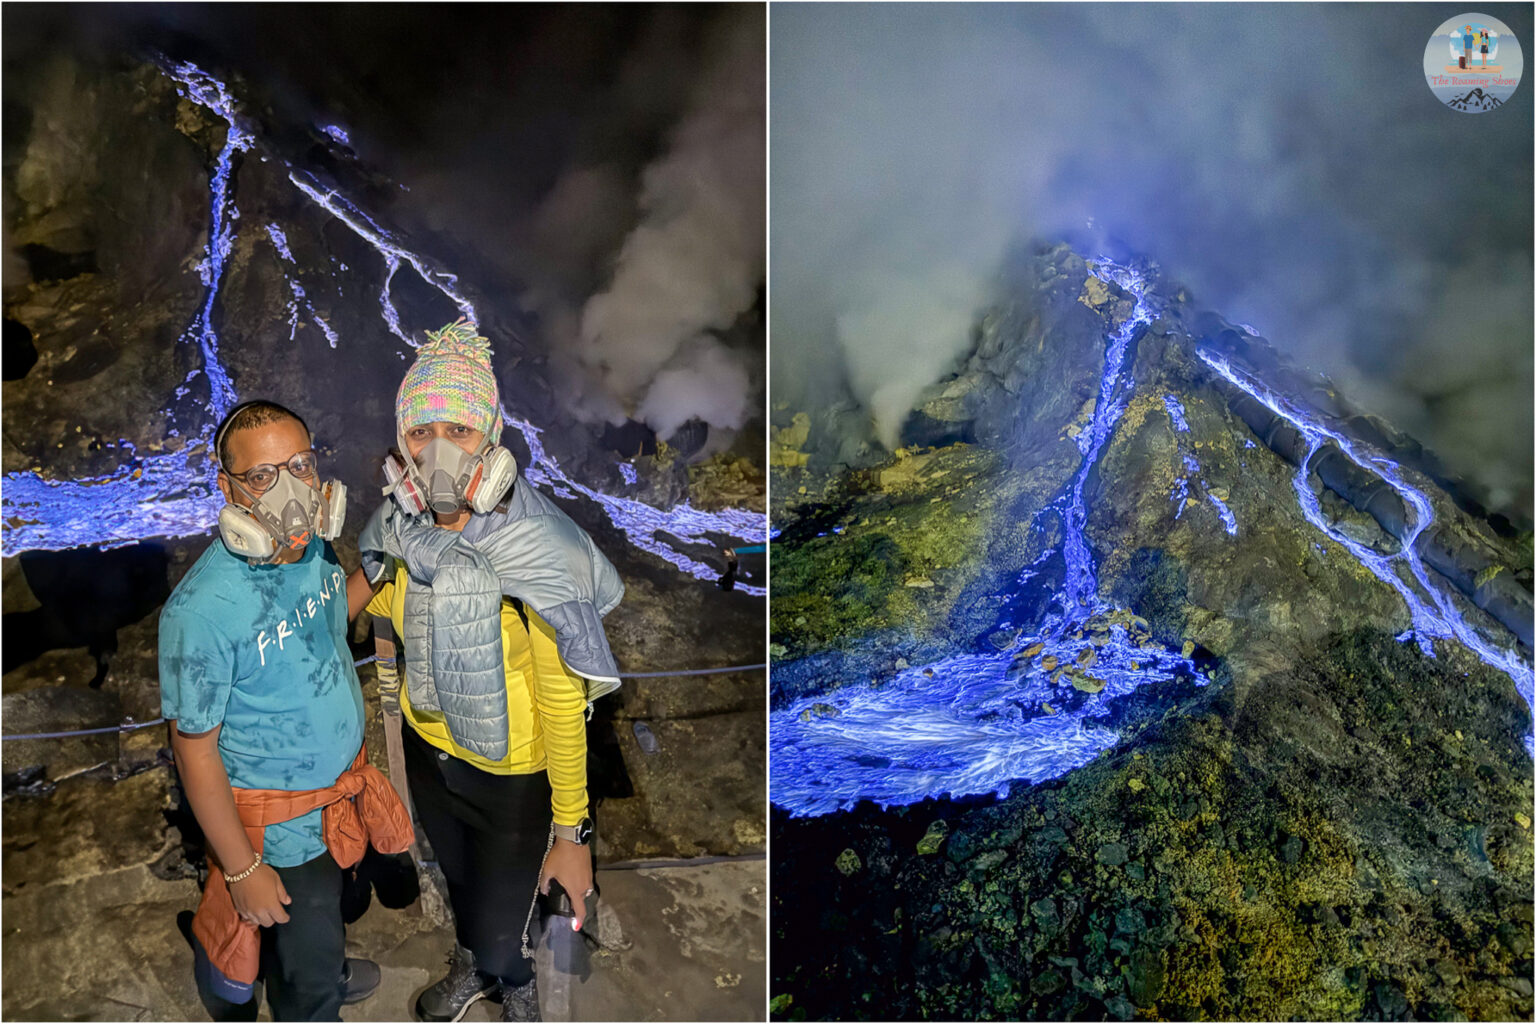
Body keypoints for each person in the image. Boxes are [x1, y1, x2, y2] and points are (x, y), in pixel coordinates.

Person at [353, 320, 624, 1023]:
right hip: (429, 749)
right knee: (463, 883)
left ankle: (514, 976)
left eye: (460, 431)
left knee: (506, 904)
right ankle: (478, 961)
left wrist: (572, 836)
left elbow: (565, 705)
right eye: (419, 433)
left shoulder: (540, 550)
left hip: (511, 778)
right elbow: (389, 598)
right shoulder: (404, 524)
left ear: (493, 437)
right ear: (400, 440)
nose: (437, 451)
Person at [160, 400, 412, 1021]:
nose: (292, 490)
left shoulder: (312, 552)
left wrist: (380, 565)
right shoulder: (200, 612)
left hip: (337, 800)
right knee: (306, 970)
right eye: (264, 475)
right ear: (229, 489)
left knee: (322, 923)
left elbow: (331, 616)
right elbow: (192, 751)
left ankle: (320, 966)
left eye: (300, 465)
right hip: (279, 835)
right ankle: (308, 996)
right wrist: (243, 868)